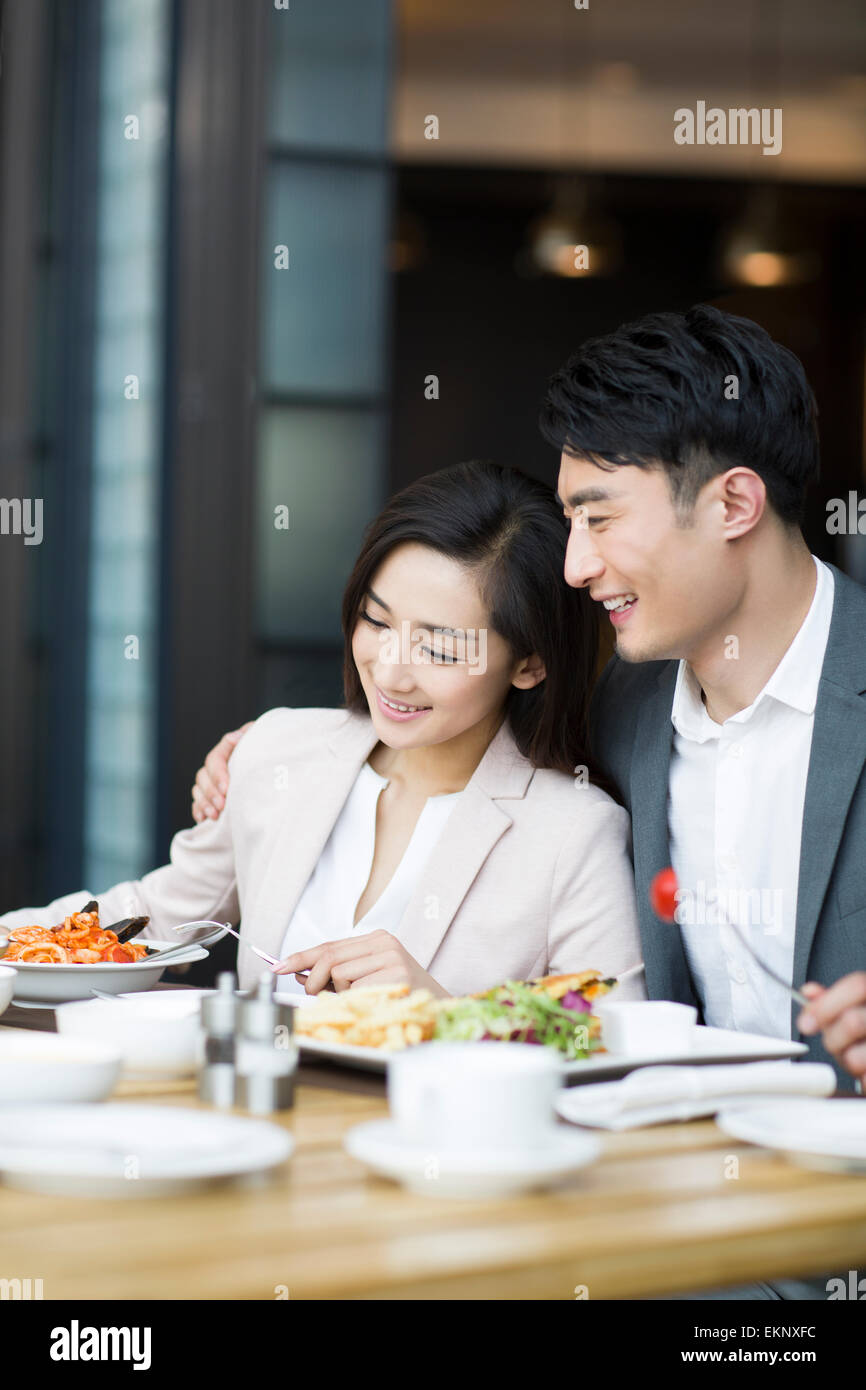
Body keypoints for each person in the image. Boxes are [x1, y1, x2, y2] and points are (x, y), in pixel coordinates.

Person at [1, 461, 644, 1000]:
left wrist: (441, 1012)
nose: (392, 673)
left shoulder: (572, 832)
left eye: (442, 650)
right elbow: (146, 919)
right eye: (377, 621)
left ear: (529, 662)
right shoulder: (277, 753)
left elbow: (611, 1039)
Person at [540, 302, 865, 1299]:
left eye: (598, 518)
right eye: (568, 523)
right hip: (678, 1233)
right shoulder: (627, 707)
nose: (574, 565)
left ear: (730, 504)